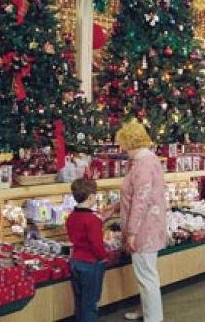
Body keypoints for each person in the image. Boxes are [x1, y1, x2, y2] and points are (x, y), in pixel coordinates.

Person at [115, 119, 167, 322]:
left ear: (130, 141)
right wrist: (113, 208)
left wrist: (132, 233)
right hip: (151, 225)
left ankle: (153, 317)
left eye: (123, 142)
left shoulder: (143, 164)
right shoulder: (147, 159)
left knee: (147, 276)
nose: (121, 147)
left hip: (145, 229)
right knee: (147, 274)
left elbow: (140, 201)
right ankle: (147, 310)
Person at [66, 178, 107, 322]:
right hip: (90, 264)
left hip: (75, 261)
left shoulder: (71, 217)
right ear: (90, 197)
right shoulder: (92, 220)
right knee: (90, 303)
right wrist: (104, 257)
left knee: (79, 300)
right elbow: (97, 245)